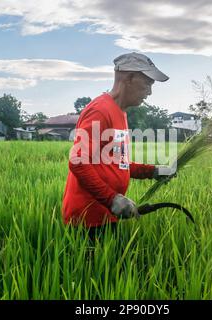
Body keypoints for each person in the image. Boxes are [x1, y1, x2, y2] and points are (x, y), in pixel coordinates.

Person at [62, 52, 175, 241]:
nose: (150, 92)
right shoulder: (100, 110)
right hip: (88, 219)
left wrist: (154, 171)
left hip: (105, 214)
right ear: (129, 78)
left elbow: (117, 163)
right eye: (147, 84)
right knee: (97, 269)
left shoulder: (120, 112)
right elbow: (77, 162)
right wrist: (112, 199)